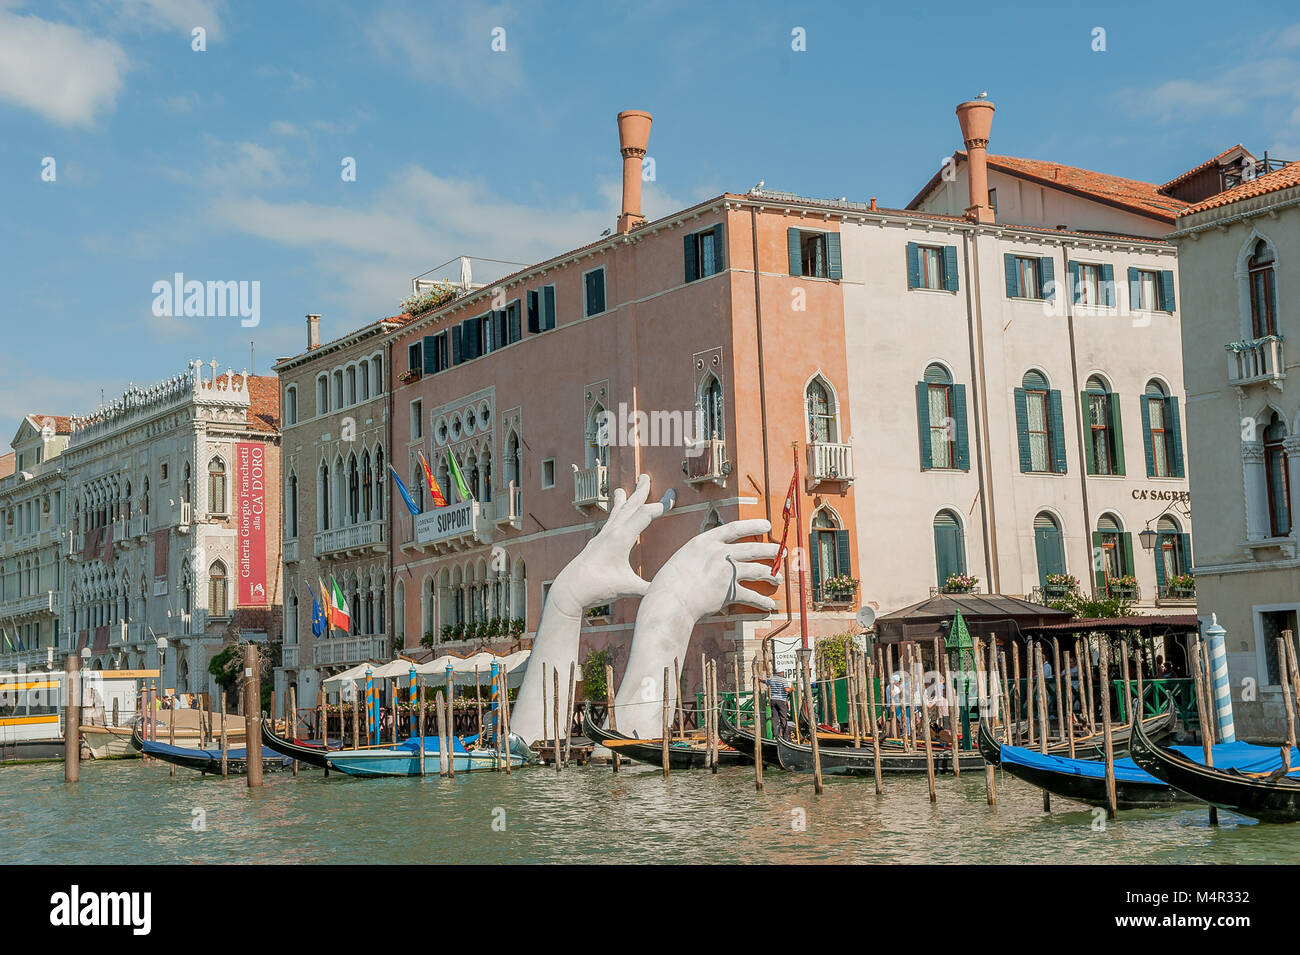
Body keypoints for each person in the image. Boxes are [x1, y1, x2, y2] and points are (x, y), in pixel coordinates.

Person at [760, 668, 791, 739]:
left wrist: (760, 680)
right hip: (781, 701)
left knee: (775, 718)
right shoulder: (783, 679)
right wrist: (792, 689)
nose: (783, 673)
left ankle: (775, 735)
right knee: (783, 718)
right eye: (783, 672)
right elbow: (786, 689)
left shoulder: (772, 679)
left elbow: (766, 682)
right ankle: (786, 737)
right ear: (781, 673)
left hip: (773, 700)